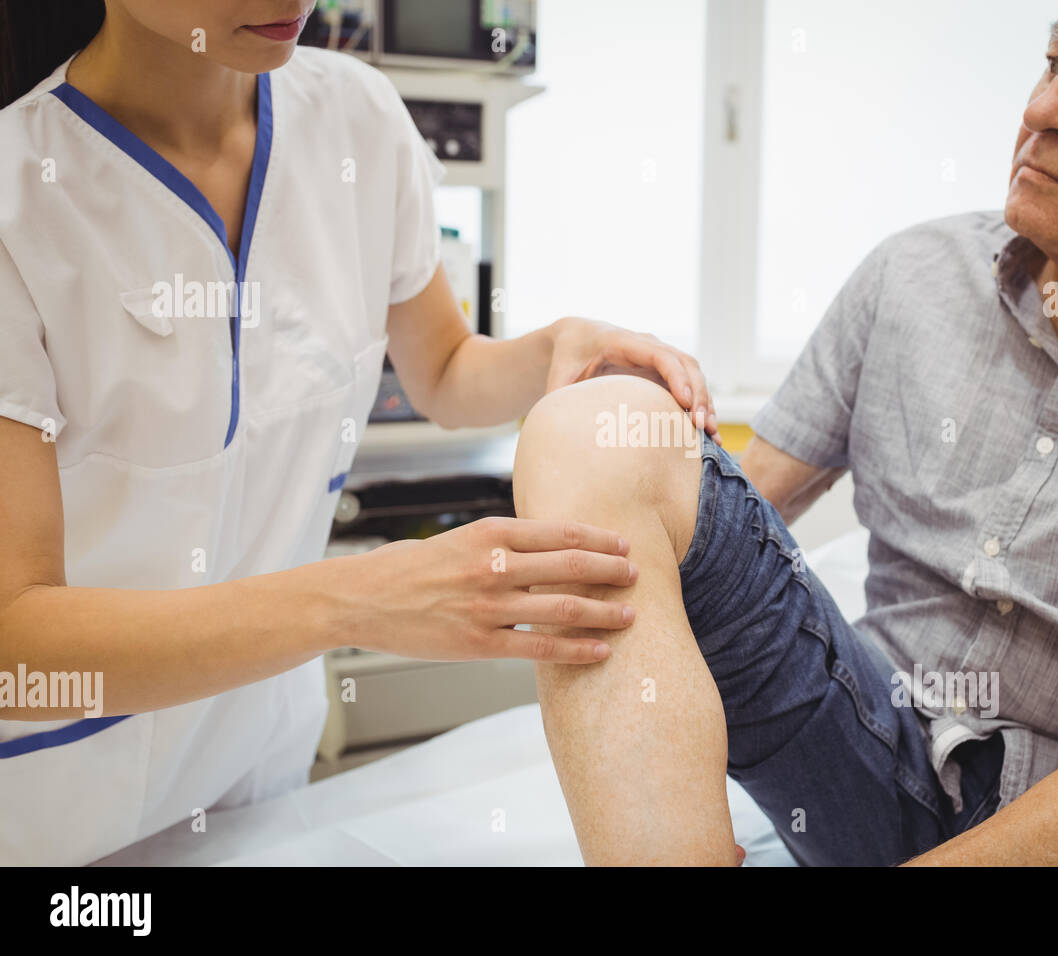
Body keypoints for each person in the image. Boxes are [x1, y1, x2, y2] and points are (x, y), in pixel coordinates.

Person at [512, 0, 1058, 865]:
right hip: (868, 752)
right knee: (598, 430)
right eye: (1053, 63)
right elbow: (702, 525)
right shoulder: (912, 275)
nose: (1043, 111)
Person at [0, 0, 717, 866]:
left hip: (256, 778)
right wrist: (357, 599)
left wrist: (549, 353)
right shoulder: (19, 197)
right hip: (54, 812)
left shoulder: (356, 121)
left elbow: (446, 370)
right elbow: (14, 641)